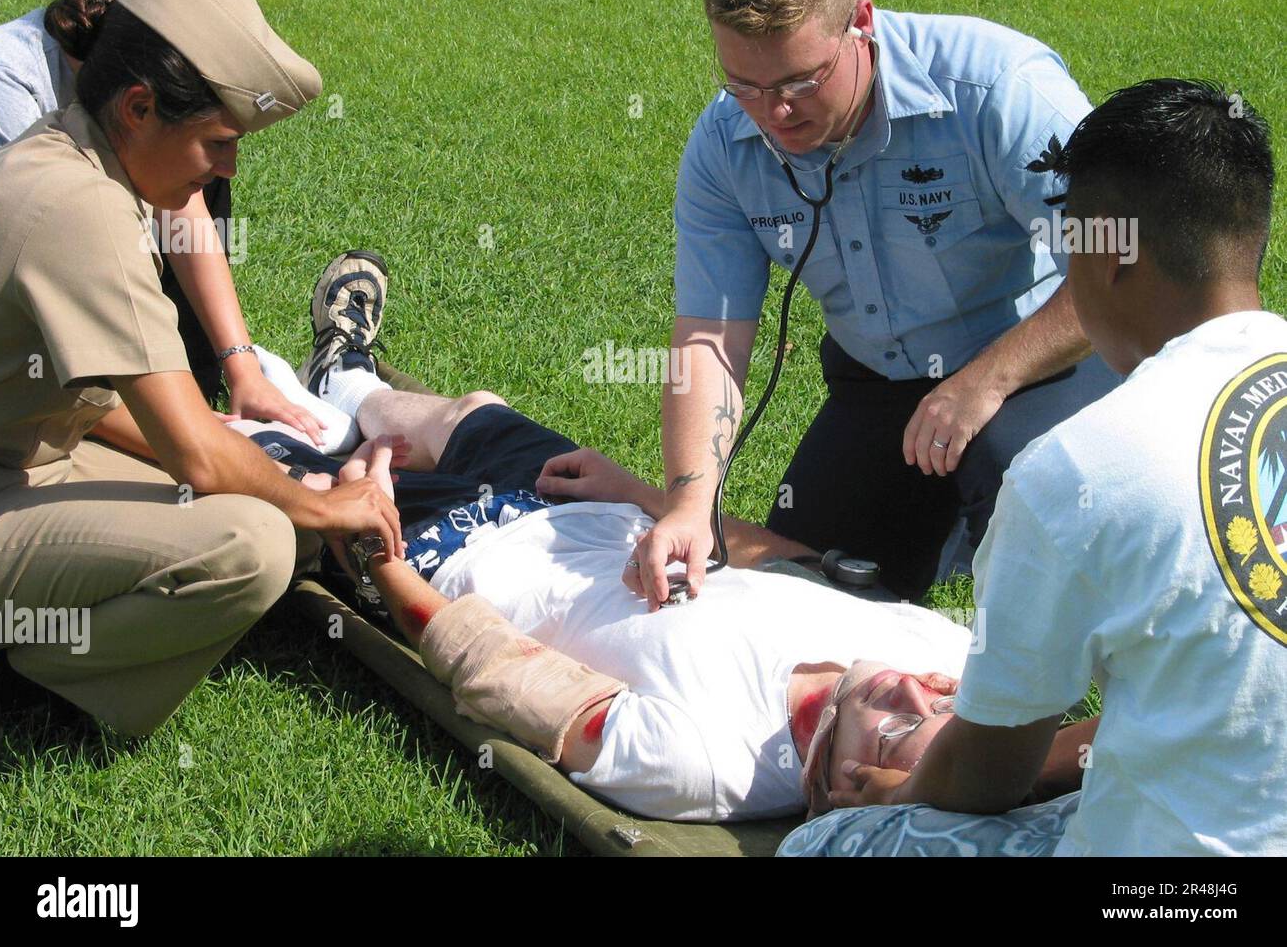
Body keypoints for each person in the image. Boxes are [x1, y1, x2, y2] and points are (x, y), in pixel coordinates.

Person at [213, 265, 1094, 823]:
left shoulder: (704, 764)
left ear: (845, 791)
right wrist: (646, 496)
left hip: (454, 548)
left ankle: (253, 387)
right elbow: (788, 561)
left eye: (901, 730)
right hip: (594, 513)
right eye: (940, 702)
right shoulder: (941, 653)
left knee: (269, 452)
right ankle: (348, 377)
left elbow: (501, 673)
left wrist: (379, 558)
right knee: (468, 413)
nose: (916, 689)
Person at [787, 79, 1287, 856]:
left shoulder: (1079, 469)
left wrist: (900, 791)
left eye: (1068, 248)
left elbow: (988, 774)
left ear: (1114, 256)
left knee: (824, 845)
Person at [633, 0, 1122, 607]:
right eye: (745, 85)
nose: (775, 113)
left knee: (1023, 503)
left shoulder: (997, 88)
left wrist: (985, 380)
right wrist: (686, 499)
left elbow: (1117, 263)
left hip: (1047, 359)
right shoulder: (722, 147)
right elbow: (710, 336)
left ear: (861, 23)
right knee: (809, 582)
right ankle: (947, 527)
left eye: (802, 80)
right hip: (881, 381)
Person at [0, 0, 401, 736]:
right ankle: (33, 662)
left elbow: (110, 407)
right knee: (253, 543)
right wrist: (323, 504)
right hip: (11, 478)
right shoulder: (85, 211)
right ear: (138, 107)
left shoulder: (75, 155)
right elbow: (191, 451)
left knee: (267, 503)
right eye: (217, 141)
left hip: (28, 460)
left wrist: (275, 471)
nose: (229, 168)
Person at [0, 0, 325, 435]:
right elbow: (47, 286)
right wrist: (194, 436)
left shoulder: (141, 112)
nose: (142, 31)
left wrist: (243, 368)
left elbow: (184, 214)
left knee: (195, 166)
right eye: (125, 3)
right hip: (24, 375)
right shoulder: (6, 77)